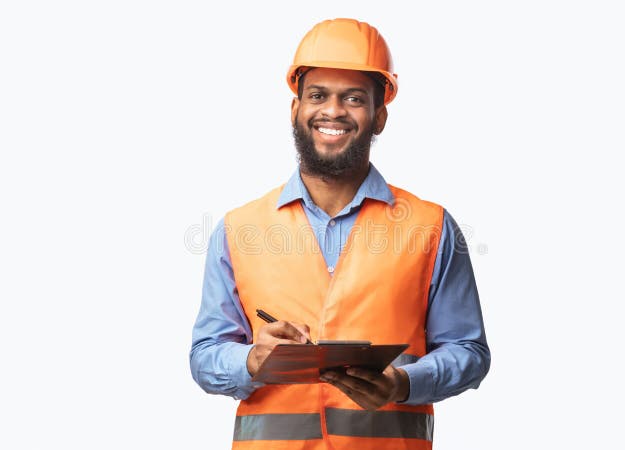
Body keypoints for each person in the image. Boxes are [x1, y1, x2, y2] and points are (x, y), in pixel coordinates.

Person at [190, 18, 490, 450]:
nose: (333, 111)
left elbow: (469, 352)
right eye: (317, 96)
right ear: (296, 109)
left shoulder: (432, 227)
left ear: (380, 116)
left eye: (353, 98)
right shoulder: (239, 229)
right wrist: (251, 359)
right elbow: (204, 356)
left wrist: (403, 383)